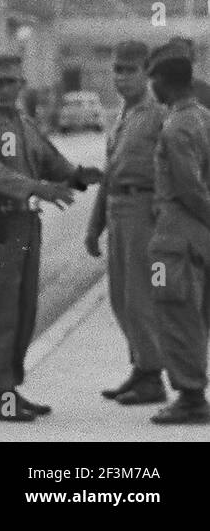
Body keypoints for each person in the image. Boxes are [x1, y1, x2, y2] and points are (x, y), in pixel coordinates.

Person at [0, 50, 103, 421]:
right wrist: (39, 188)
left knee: (25, 312)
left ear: (22, 84)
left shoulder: (24, 124)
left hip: (27, 228)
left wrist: (76, 174)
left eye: (12, 81)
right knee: (0, 315)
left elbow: (50, 160)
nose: (6, 89)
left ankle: (9, 390)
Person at [84, 41, 166, 405]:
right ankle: (139, 367)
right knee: (120, 298)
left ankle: (152, 376)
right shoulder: (122, 115)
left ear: (146, 73)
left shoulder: (158, 115)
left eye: (129, 70)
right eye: (116, 69)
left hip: (144, 212)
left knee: (139, 299)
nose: (120, 77)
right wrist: (94, 224)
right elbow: (109, 174)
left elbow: (176, 168)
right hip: (118, 209)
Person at [147, 39, 210, 425]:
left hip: (175, 236)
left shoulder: (175, 127)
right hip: (196, 238)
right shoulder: (204, 116)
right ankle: (191, 390)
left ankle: (190, 396)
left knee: (175, 314)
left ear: (164, 83)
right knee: (193, 314)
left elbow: (190, 190)